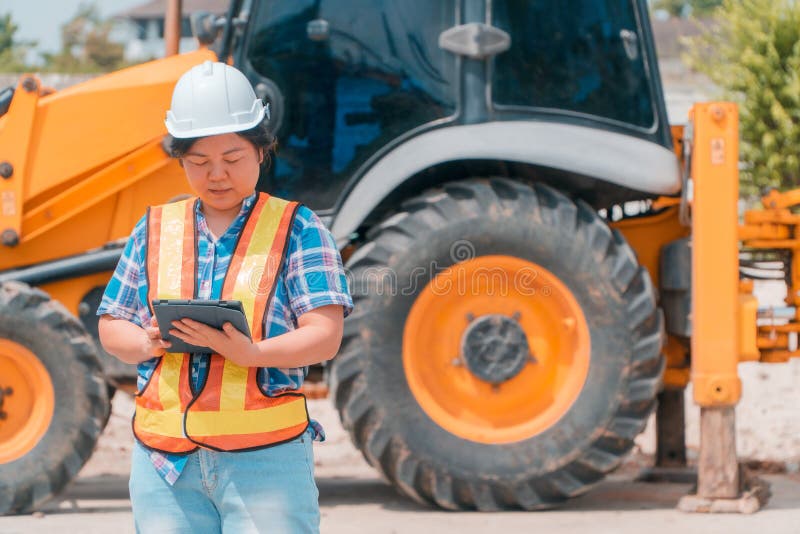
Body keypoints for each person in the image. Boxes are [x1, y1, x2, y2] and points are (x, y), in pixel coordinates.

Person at [97, 60, 353, 533]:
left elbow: (324, 335)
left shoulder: (298, 229)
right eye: (199, 162)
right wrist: (146, 343)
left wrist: (252, 353)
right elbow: (112, 322)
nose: (217, 175)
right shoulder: (154, 229)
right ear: (181, 161)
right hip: (165, 467)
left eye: (232, 159)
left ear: (261, 151)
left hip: (265, 465)